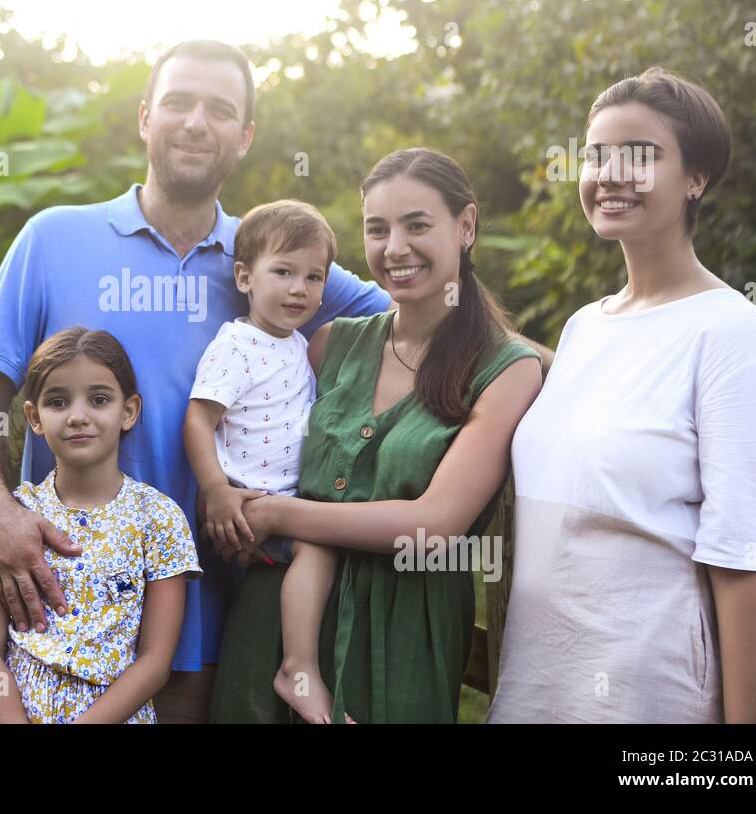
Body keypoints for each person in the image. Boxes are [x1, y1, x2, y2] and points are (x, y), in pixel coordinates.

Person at [0, 40, 395, 723]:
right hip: (71, 607)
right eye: (179, 101)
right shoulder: (52, 239)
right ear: (144, 117)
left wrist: (557, 353)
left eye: (221, 110)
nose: (196, 122)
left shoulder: (274, 254)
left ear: (244, 137)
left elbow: (413, 315)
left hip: (226, 600)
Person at [487, 67, 756, 723]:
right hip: (535, 690)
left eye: (641, 155)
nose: (611, 173)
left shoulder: (732, 332)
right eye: (596, 155)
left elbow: (738, 560)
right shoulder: (586, 327)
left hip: (648, 698)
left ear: (695, 179)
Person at [211, 147, 544, 724]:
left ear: (465, 227)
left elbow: (435, 526)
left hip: (404, 634)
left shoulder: (506, 368)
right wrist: (227, 501)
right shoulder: (328, 345)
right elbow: (249, 436)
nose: (395, 248)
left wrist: (278, 516)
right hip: (276, 620)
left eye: (417, 225)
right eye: (377, 229)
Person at [0, 327, 200, 723]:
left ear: (128, 411)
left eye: (99, 399)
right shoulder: (15, 515)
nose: (77, 416)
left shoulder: (158, 519)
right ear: (34, 417)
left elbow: (155, 662)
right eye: (58, 401)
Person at [183, 199, 342, 722]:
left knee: (322, 546)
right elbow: (197, 420)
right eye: (284, 272)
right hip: (248, 500)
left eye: (314, 277)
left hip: (282, 500)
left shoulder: (298, 345)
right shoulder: (238, 344)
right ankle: (298, 669)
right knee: (318, 547)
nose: (300, 288)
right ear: (245, 277)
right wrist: (218, 490)